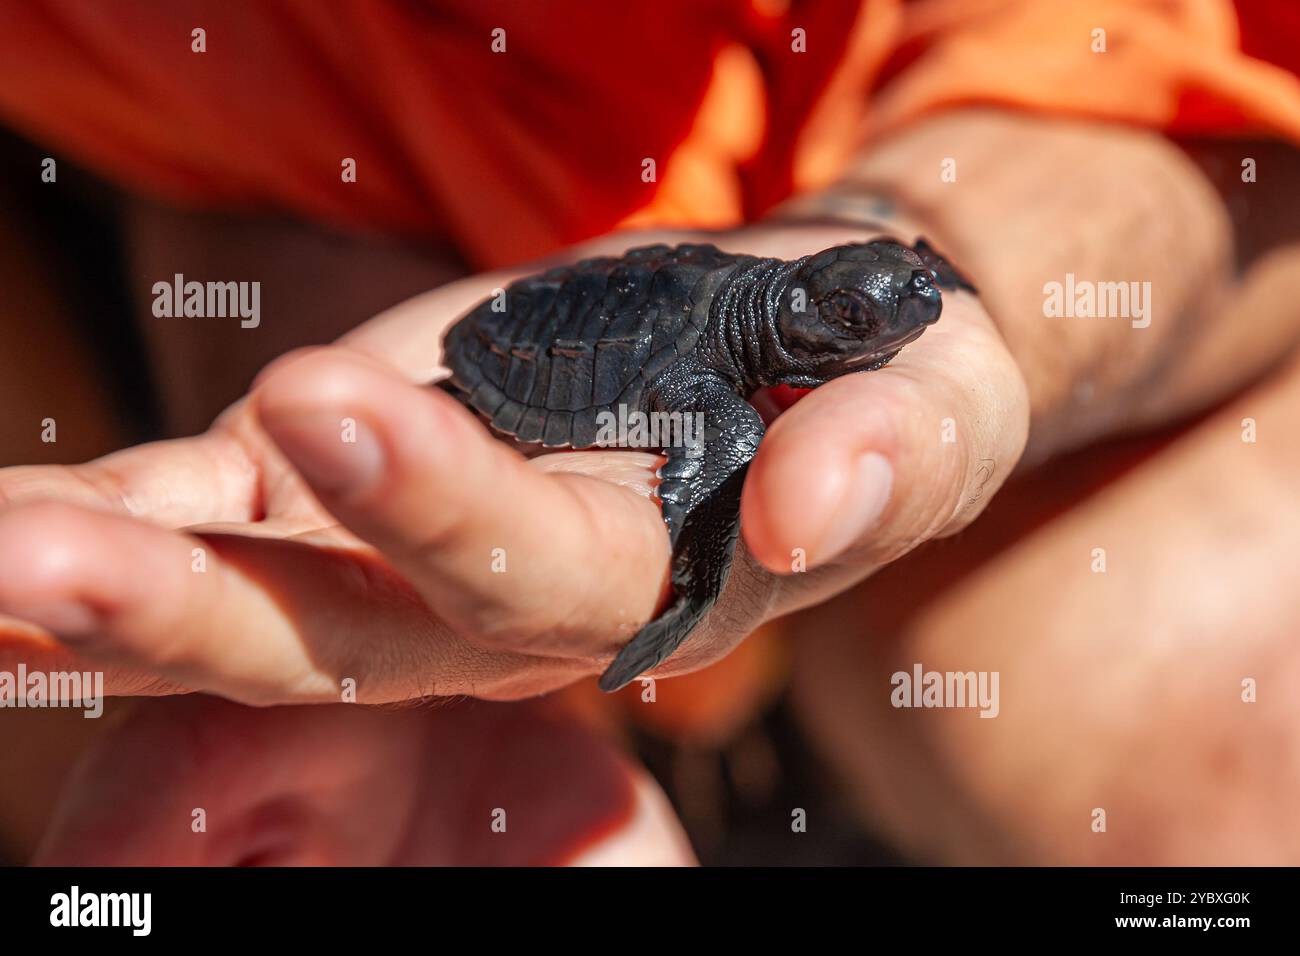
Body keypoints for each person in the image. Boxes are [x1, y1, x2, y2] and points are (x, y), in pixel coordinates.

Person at [1, 0, 1298, 863]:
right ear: (797, 334)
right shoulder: (713, 379)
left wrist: (988, 282)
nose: (900, 309)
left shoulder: (819, 300)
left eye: (904, 294)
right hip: (436, 288)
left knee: (1190, 739)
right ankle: (613, 716)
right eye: (866, 307)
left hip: (894, 141)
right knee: (136, 706)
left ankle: (698, 713)